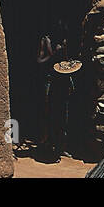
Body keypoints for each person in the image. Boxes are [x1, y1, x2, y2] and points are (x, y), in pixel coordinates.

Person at [36, 23, 66, 161]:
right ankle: (45, 143)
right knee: (47, 111)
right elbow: (39, 60)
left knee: (60, 112)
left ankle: (59, 145)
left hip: (61, 80)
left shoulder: (63, 41)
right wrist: (53, 55)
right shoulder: (46, 40)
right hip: (49, 79)